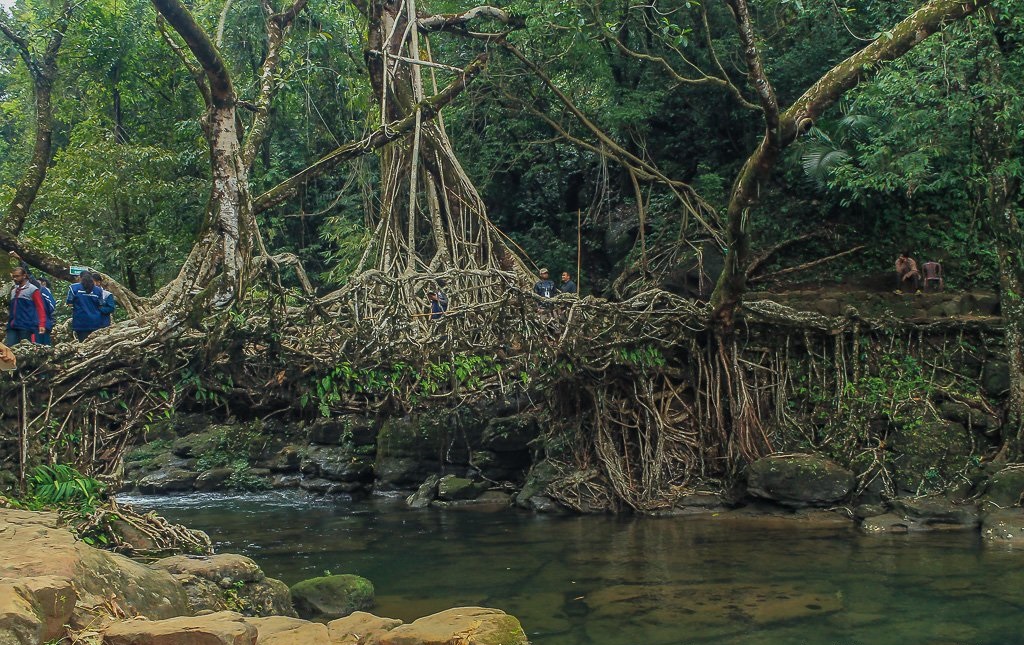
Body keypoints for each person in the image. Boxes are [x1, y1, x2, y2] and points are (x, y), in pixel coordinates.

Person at [5, 266, 46, 346]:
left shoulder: (33, 289)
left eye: (17, 276)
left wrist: (42, 324)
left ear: (24, 276)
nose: (15, 279)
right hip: (12, 325)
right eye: (13, 276)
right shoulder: (14, 291)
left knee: (24, 349)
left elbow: (40, 307)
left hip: (26, 326)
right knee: (10, 348)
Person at [66, 272, 106, 341]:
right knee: (95, 343)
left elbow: (69, 303)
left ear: (80, 278)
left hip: (81, 321)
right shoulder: (98, 290)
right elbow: (101, 304)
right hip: (95, 321)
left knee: (83, 344)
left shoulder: (74, 288)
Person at [36, 277, 56, 346]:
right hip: (42, 322)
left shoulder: (44, 291)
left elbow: (51, 306)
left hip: (43, 322)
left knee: (42, 344)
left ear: (44, 283)